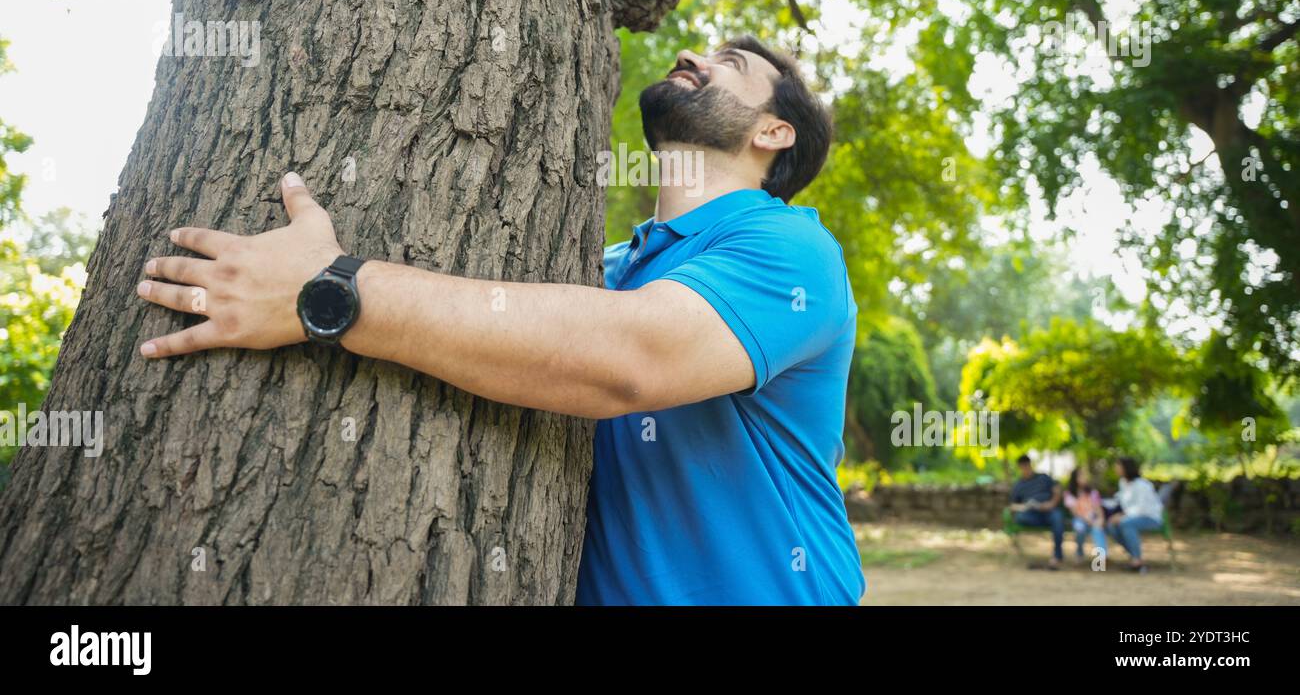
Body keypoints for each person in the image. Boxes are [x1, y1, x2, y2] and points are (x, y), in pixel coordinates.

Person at [130, 35, 868, 606]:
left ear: (774, 133)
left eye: (729, 61)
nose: (691, 56)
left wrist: (326, 290)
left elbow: (633, 358)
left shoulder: (792, 247)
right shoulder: (609, 267)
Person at [1107, 456, 1164, 573]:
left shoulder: (1142, 485)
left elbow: (1142, 508)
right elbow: (1121, 501)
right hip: (1132, 517)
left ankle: (1137, 560)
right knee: (1111, 526)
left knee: (1126, 524)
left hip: (1150, 517)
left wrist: (1123, 516)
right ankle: (1134, 555)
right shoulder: (1123, 483)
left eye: (1118, 466)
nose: (1116, 469)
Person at [1008, 454, 1065, 569]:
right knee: (1021, 517)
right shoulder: (1018, 485)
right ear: (1019, 468)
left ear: (1030, 465)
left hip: (1049, 511)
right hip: (1031, 514)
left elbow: (1057, 489)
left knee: (1058, 518)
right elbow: (1013, 505)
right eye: (1023, 467)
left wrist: (1051, 504)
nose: (1025, 469)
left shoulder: (1043, 478)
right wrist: (1024, 507)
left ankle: (1057, 557)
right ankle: (1030, 557)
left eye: (1027, 466)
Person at [1063, 465, 1107, 563]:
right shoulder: (1070, 494)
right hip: (1079, 519)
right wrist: (1087, 520)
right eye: (1081, 475)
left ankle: (1101, 558)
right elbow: (1075, 512)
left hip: (1093, 518)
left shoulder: (1093, 493)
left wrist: (1101, 519)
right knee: (1079, 528)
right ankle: (1079, 553)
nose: (1084, 478)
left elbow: (1098, 508)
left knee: (1097, 529)